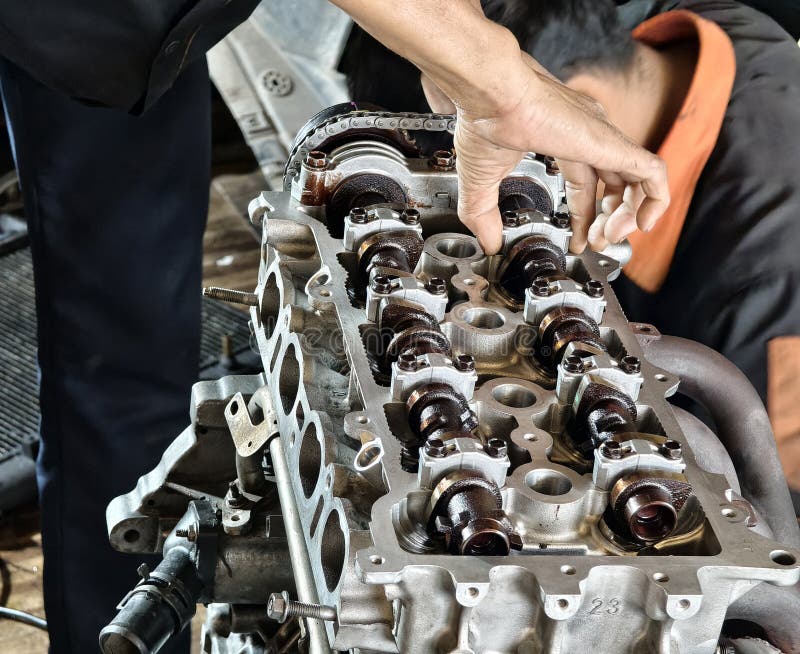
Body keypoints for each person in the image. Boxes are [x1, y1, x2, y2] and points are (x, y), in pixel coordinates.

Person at [0, 1, 669, 651]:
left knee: (129, 350)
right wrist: (491, 75)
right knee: (115, 378)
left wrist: (460, 51)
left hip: (138, 40)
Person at [497, 0, 800, 489]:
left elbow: (776, 506)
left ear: (579, 102)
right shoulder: (701, 24)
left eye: (490, 146)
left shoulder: (767, 290)